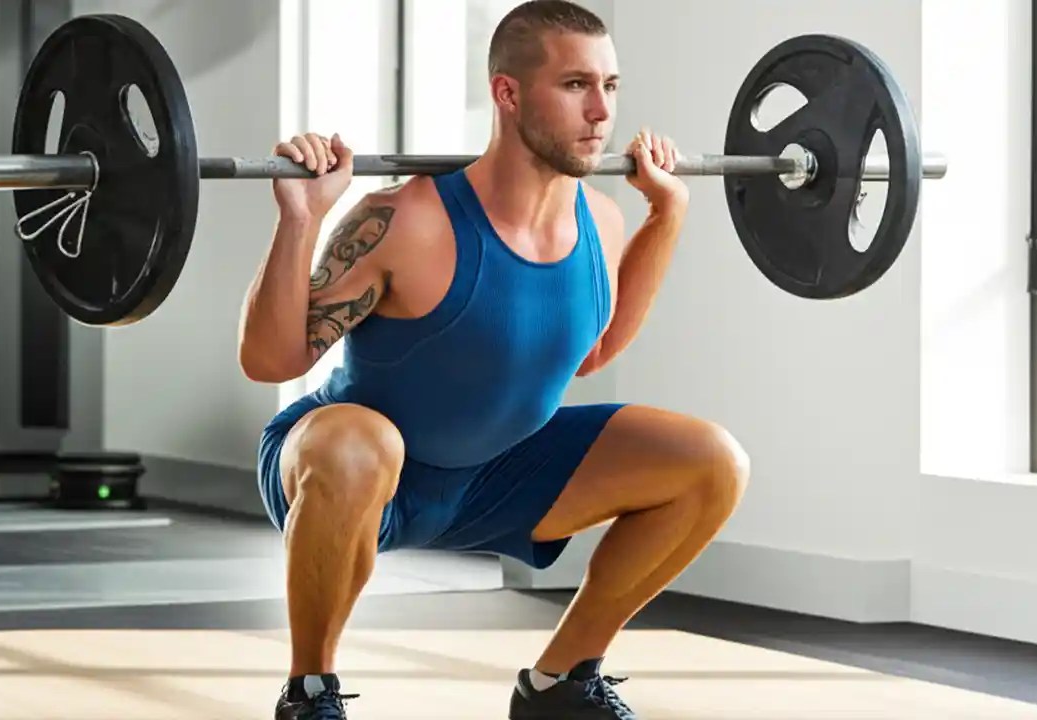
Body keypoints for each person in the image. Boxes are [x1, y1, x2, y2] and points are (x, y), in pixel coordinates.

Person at [239, 1, 749, 717]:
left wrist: (666, 219)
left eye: (610, 85)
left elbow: (591, 353)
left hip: (501, 474)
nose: (602, 112)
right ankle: (311, 690)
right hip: (351, 469)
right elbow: (270, 360)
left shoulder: (601, 220)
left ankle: (560, 682)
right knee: (363, 443)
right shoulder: (407, 219)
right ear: (508, 94)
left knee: (712, 463)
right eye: (575, 86)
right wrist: (301, 219)